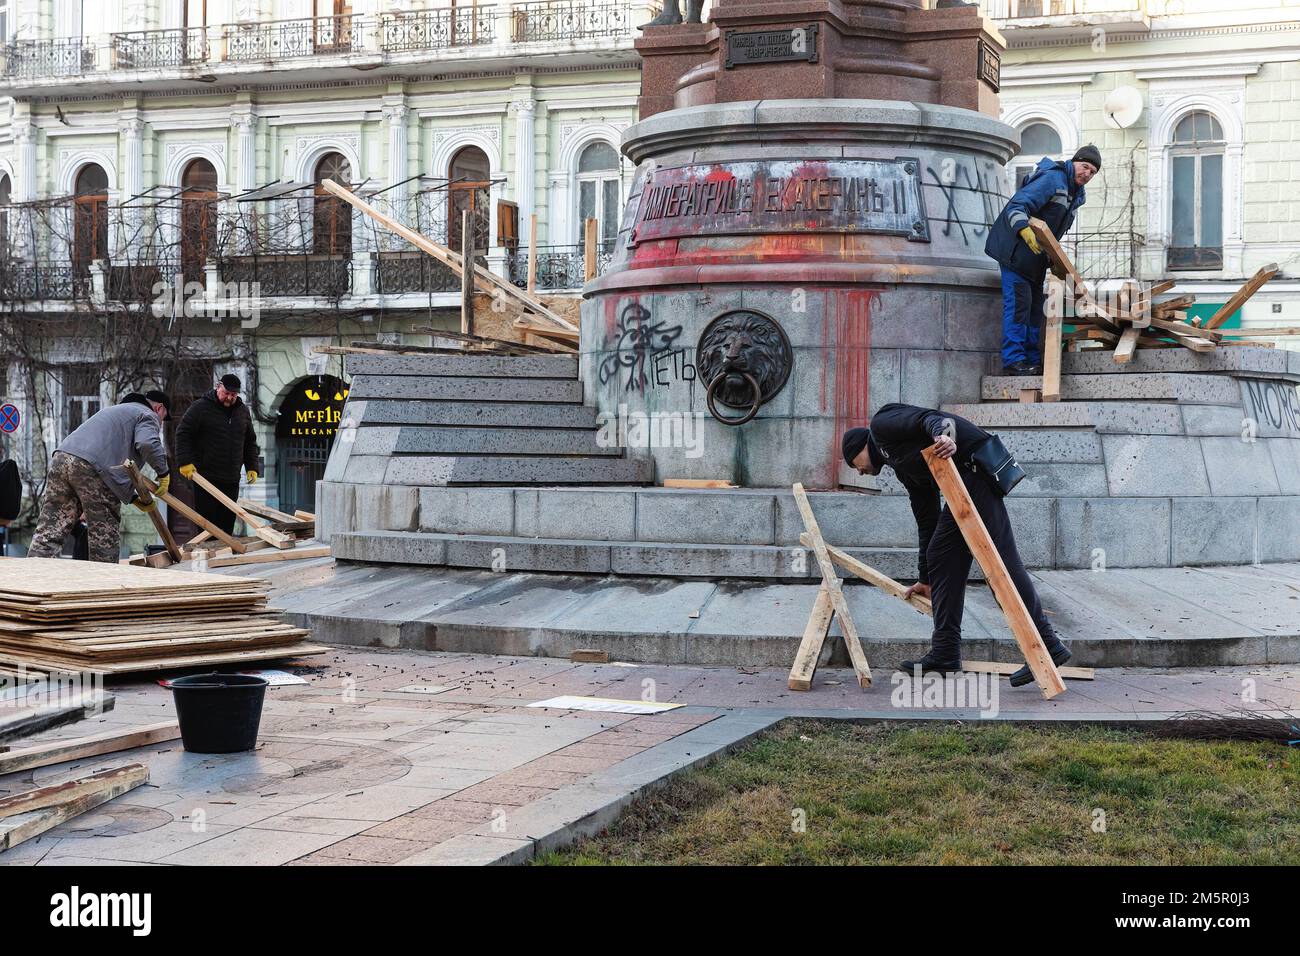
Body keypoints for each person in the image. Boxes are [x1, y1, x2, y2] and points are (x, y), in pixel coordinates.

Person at [841, 404, 1071, 687]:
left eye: (854, 465)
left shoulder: (882, 425)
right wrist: (926, 578)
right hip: (962, 487)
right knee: (942, 555)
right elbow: (927, 521)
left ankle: (1046, 642)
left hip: (976, 473)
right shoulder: (904, 469)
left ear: (858, 448)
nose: (860, 473)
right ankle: (946, 653)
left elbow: (932, 419)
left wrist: (943, 436)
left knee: (1001, 563)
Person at [985, 144, 1100, 376]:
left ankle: (1031, 360)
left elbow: (1052, 233)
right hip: (1015, 252)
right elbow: (1018, 205)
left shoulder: (1075, 195)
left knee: (1036, 309)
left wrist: (1053, 259)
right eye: (1085, 166)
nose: (1087, 174)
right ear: (1074, 162)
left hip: (1035, 259)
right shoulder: (1053, 179)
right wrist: (1023, 229)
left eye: (1093, 172)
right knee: (1019, 306)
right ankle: (1014, 361)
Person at [28, 391, 171, 563]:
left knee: (50, 529)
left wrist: (132, 497)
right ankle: (103, 585)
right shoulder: (147, 414)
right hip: (91, 468)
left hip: (62, 458)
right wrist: (163, 472)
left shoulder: (114, 412)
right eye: (164, 417)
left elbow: (109, 459)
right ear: (159, 408)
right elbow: (146, 443)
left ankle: (31, 577)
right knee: (103, 537)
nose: (161, 423)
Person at [175, 373, 260, 536]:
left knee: (227, 525)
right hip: (206, 478)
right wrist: (184, 461)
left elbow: (250, 441)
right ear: (218, 387)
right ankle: (207, 555)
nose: (229, 397)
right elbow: (183, 433)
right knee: (207, 525)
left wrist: (252, 467)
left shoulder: (242, 411)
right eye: (226, 393)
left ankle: (224, 556)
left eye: (233, 395)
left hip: (231, 479)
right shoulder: (200, 407)